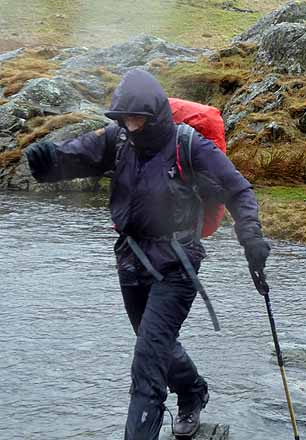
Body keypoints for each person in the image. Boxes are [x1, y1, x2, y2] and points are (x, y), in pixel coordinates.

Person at [23, 69, 271, 439]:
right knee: (153, 343)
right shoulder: (119, 139)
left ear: (155, 115)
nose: (130, 125)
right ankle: (192, 391)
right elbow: (76, 157)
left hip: (177, 264)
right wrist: (47, 161)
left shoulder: (190, 146)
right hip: (130, 257)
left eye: (137, 118)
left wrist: (250, 236)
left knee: (146, 365)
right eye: (124, 119)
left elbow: (238, 190)